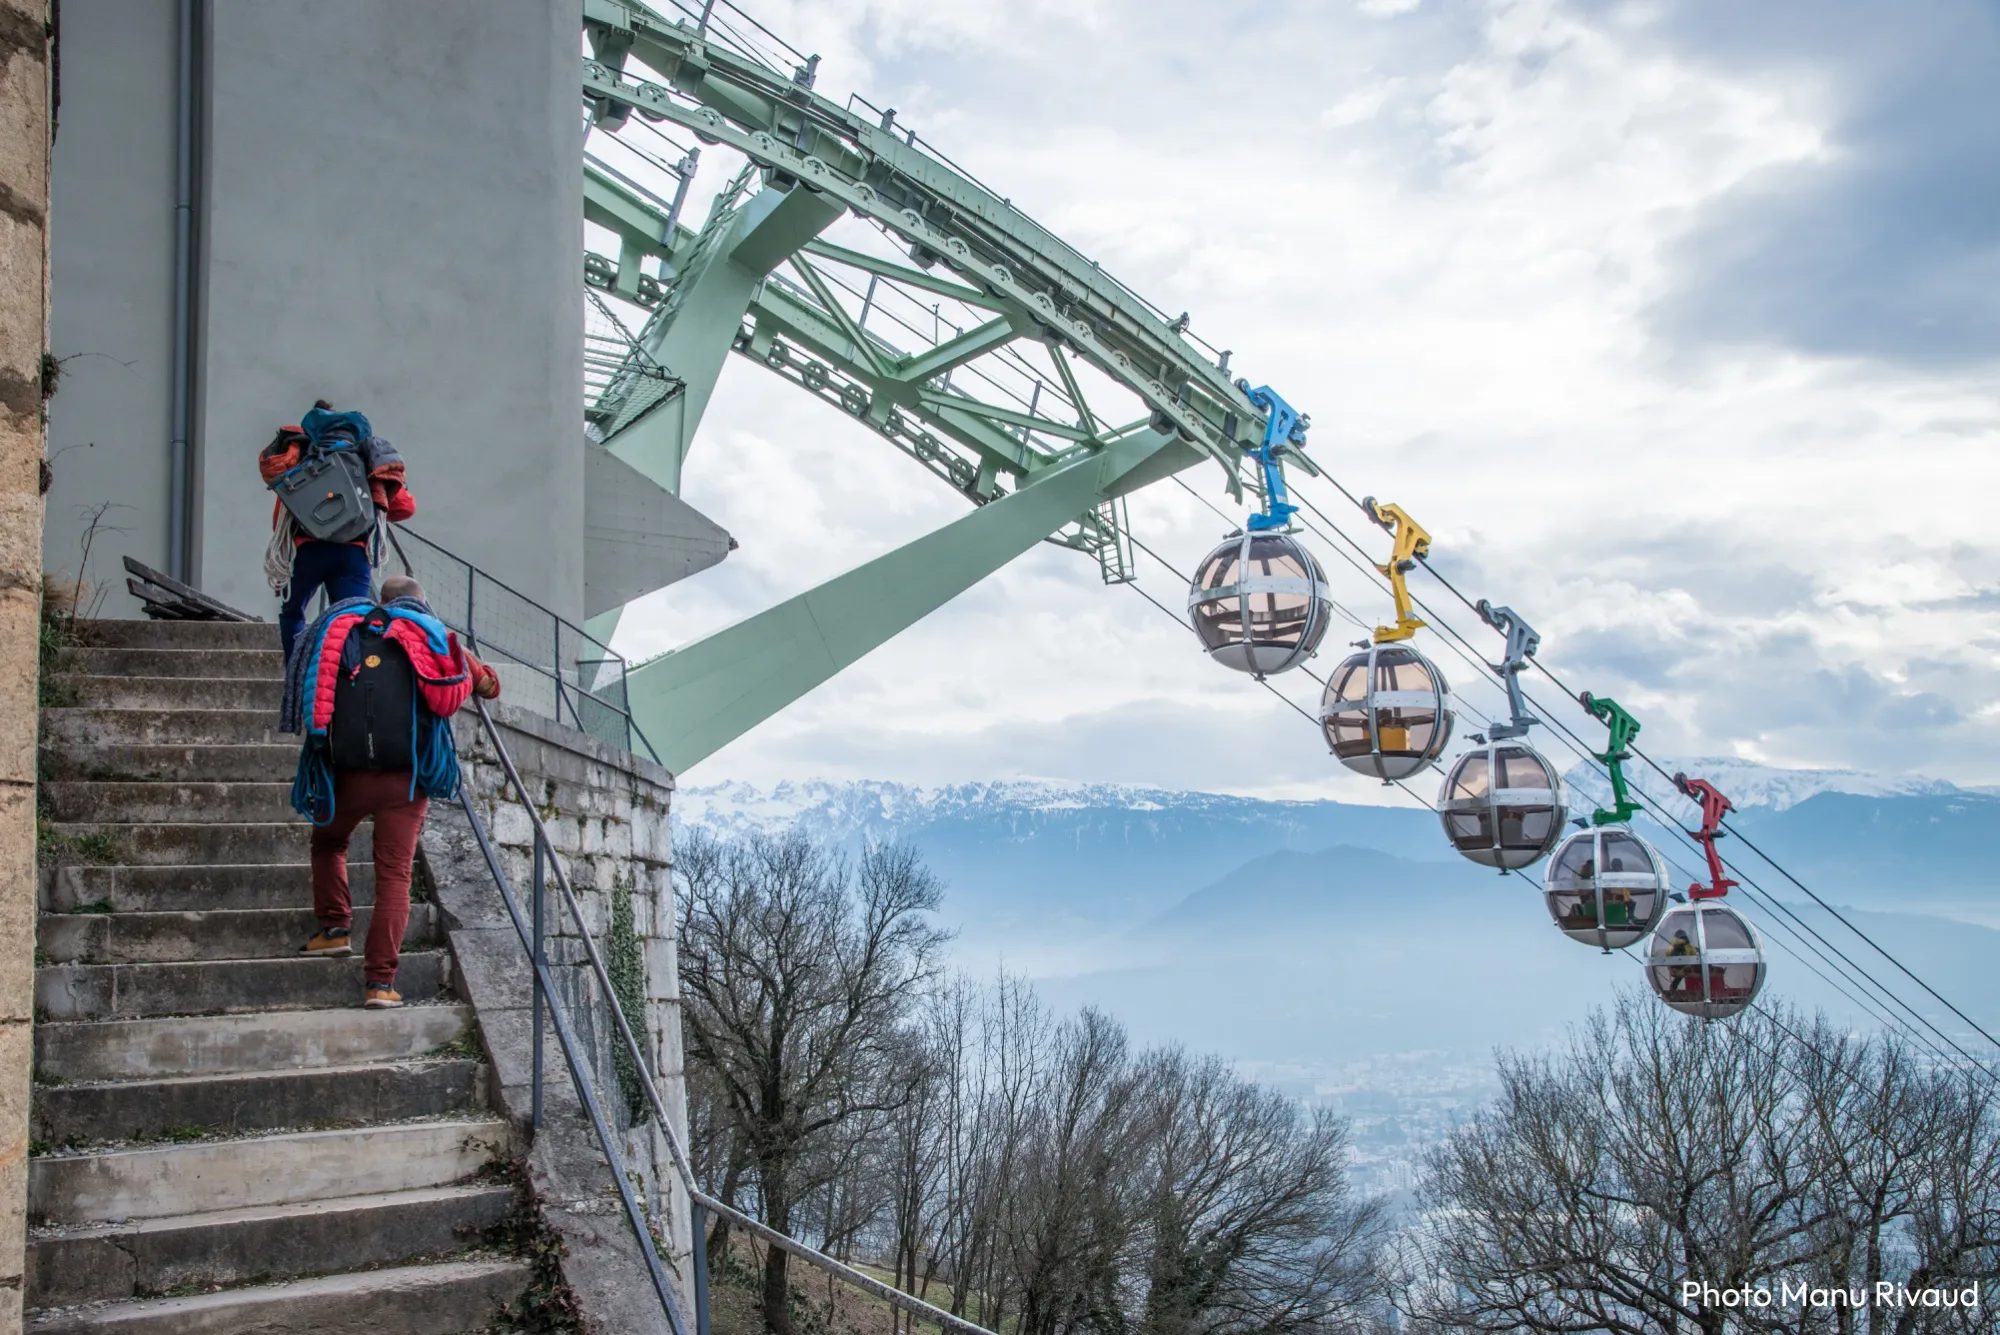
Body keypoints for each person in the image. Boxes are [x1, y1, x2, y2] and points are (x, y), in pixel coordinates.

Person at [280, 574, 499, 1008]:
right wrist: (479, 673)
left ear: (379, 600)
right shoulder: (433, 635)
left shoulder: (341, 629)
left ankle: (335, 929)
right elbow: (489, 685)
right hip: (406, 779)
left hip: (346, 772)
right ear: (423, 603)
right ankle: (379, 983)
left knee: (328, 842)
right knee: (394, 876)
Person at [260, 401, 416, 663]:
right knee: (351, 617)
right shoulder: (363, 457)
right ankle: (348, 673)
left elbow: (283, 513)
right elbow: (404, 508)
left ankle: (294, 669)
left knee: (292, 613)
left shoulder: (302, 458)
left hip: (305, 550)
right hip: (353, 553)